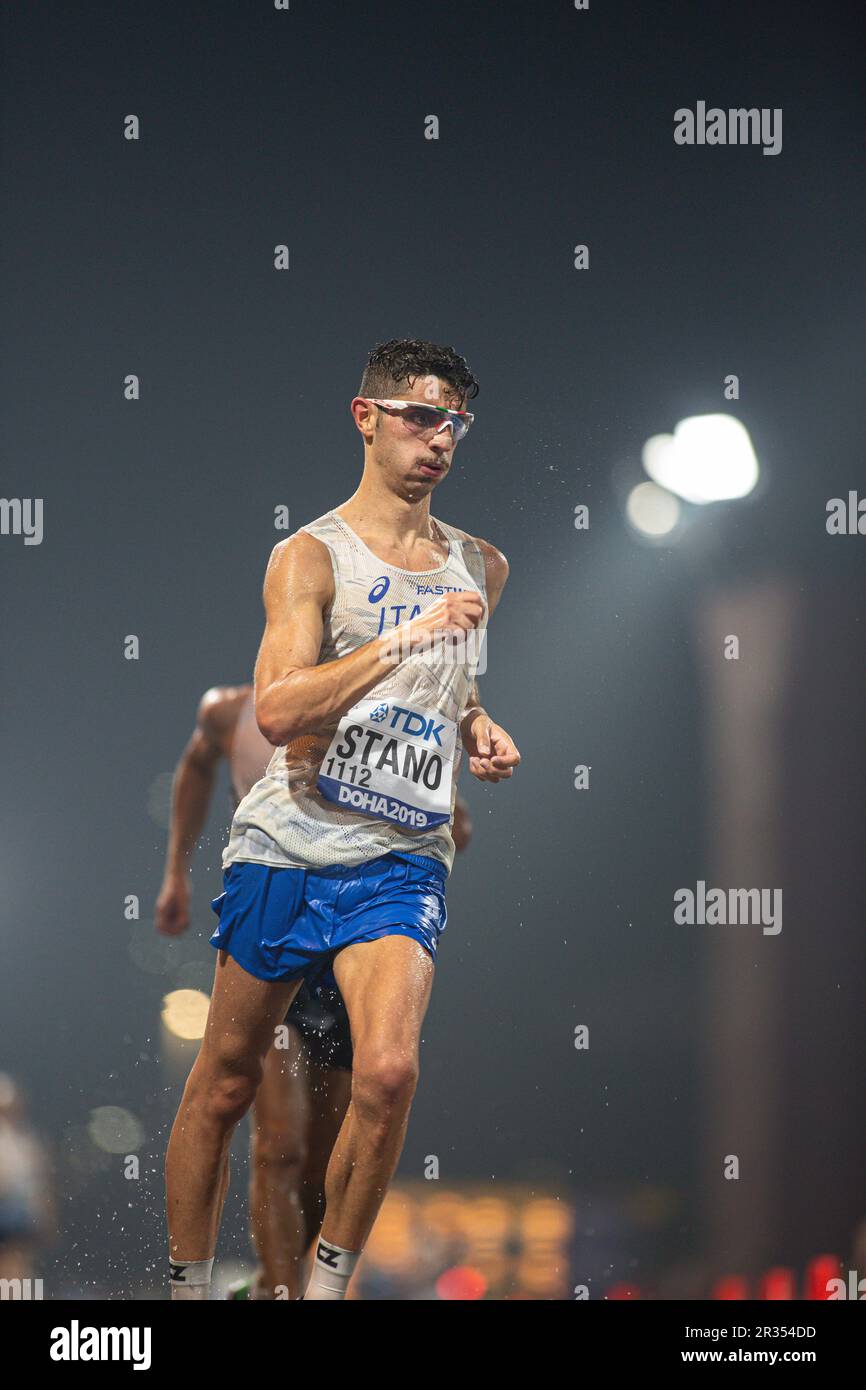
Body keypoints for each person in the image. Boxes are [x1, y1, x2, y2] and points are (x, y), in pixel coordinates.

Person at [165, 337, 519, 1300]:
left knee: (389, 1075)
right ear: (365, 418)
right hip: (292, 841)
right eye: (419, 417)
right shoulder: (311, 555)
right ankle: (188, 1290)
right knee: (231, 1086)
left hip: (401, 854)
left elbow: (449, 688)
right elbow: (276, 713)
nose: (439, 439)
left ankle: (326, 1293)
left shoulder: (480, 566)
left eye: (454, 424)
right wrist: (403, 633)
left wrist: (479, 726)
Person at [156, 683, 471, 1298]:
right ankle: (279, 1290)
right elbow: (194, 770)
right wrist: (175, 871)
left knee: (325, 1162)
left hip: (360, 930)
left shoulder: (399, 700)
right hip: (281, 909)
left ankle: (284, 1281)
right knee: (280, 1142)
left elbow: (444, 806)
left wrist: (448, 801)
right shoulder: (232, 709)